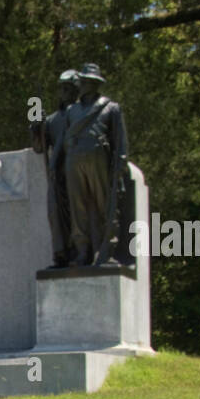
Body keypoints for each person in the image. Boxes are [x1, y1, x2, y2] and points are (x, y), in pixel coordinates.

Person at [63, 63, 128, 266]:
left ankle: (105, 250)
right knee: (78, 209)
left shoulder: (111, 107)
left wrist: (119, 166)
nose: (80, 84)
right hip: (74, 159)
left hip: (98, 158)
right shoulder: (72, 110)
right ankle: (82, 251)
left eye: (84, 81)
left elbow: (120, 142)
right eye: (81, 81)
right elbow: (64, 139)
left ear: (93, 84)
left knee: (104, 207)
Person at [31, 69, 80, 267]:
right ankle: (60, 254)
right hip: (57, 175)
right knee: (55, 214)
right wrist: (36, 127)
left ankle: (81, 253)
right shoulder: (52, 120)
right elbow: (39, 147)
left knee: (79, 215)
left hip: (77, 174)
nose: (65, 92)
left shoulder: (83, 115)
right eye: (63, 88)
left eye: (70, 88)